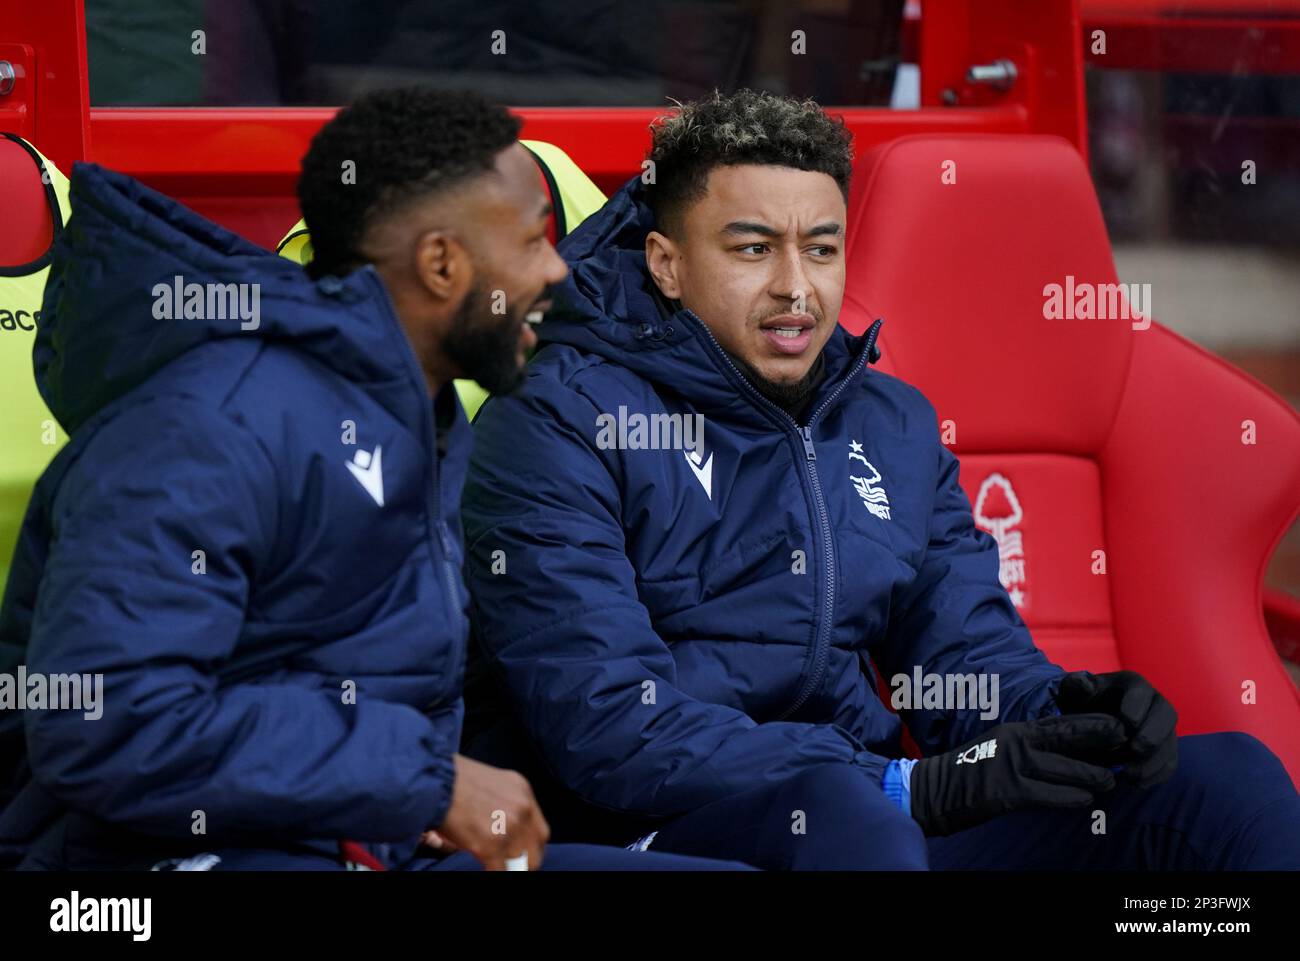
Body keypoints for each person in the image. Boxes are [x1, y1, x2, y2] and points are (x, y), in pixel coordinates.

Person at [459, 88, 1300, 870]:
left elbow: (965, 659)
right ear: (667, 264)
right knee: (848, 818)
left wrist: (1065, 715)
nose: (796, 289)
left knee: (1227, 783)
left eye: (820, 249)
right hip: (653, 829)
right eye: (753, 249)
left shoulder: (887, 420)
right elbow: (613, 729)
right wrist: (903, 786)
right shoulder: (551, 419)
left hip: (869, 818)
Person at [0, 87, 747, 872]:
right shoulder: (209, 423)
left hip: (350, 838)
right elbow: (111, 721)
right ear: (441, 263)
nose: (558, 273)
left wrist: (406, 796)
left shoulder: (414, 414)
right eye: (532, 242)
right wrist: (422, 782)